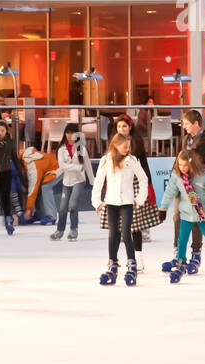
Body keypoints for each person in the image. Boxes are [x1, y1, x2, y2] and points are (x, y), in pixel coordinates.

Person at [160, 149, 205, 281]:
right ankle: (180, 264)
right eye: (180, 165)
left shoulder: (201, 173)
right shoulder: (177, 175)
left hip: (202, 213)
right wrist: (163, 208)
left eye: (186, 165)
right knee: (182, 240)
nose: (183, 168)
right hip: (186, 213)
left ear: (191, 164)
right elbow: (170, 191)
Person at [92, 133, 149, 286]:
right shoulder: (106, 161)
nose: (127, 149)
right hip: (111, 202)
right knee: (113, 234)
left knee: (126, 232)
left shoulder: (132, 161)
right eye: (125, 146)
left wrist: (139, 199)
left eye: (129, 146)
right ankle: (112, 265)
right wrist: (96, 201)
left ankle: (132, 265)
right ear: (116, 145)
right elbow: (98, 181)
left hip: (127, 203)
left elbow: (143, 179)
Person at [112, 114, 155, 265]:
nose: (121, 129)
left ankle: (139, 259)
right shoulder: (114, 144)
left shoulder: (136, 143)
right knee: (117, 227)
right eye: (119, 126)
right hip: (118, 189)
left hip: (134, 185)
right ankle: (114, 259)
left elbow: (144, 165)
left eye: (124, 126)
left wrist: (149, 187)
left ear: (130, 127)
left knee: (135, 225)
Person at [52, 123, 95, 242]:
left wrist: (93, 181)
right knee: (62, 208)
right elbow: (62, 166)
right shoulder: (61, 149)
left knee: (72, 205)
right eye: (68, 132)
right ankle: (59, 230)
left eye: (73, 133)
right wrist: (76, 167)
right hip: (67, 181)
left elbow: (87, 165)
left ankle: (73, 229)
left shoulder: (81, 148)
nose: (70, 135)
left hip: (79, 181)